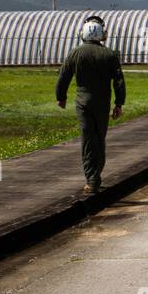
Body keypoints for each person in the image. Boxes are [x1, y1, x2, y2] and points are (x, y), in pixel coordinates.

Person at [56, 16, 125, 195]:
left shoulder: (75, 53)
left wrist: (61, 97)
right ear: (102, 34)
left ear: (83, 33)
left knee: (87, 140)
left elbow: (63, 77)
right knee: (99, 139)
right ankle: (96, 175)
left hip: (82, 103)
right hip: (102, 104)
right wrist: (119, 104)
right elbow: (119, 81)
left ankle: (92, 179)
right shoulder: (110, 55)